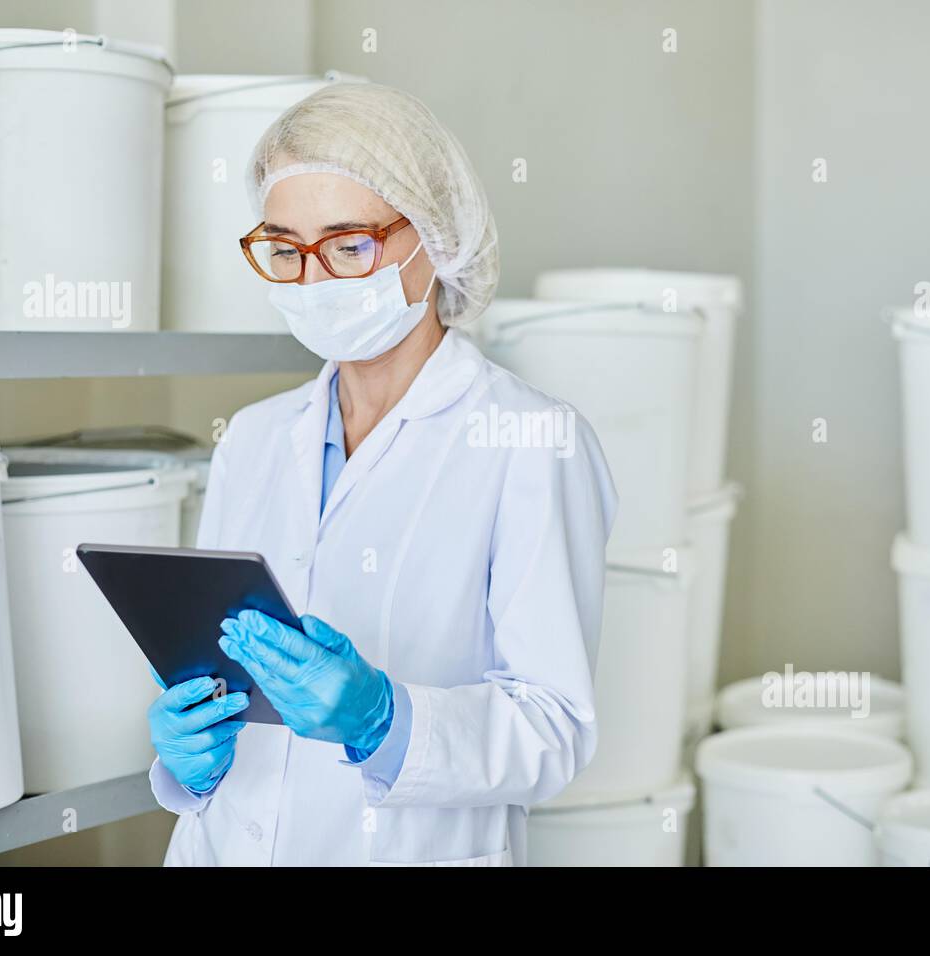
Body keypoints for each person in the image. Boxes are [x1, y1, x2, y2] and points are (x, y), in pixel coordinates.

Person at [146, 83, 617, 865]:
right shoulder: (256, 438)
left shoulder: (532, 440)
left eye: (349, 245)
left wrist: (383, 721)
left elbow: (554, 729)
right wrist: (184, 759)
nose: (315, 280)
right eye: (286, 249)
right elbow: (217, 667)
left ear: (433, 236)